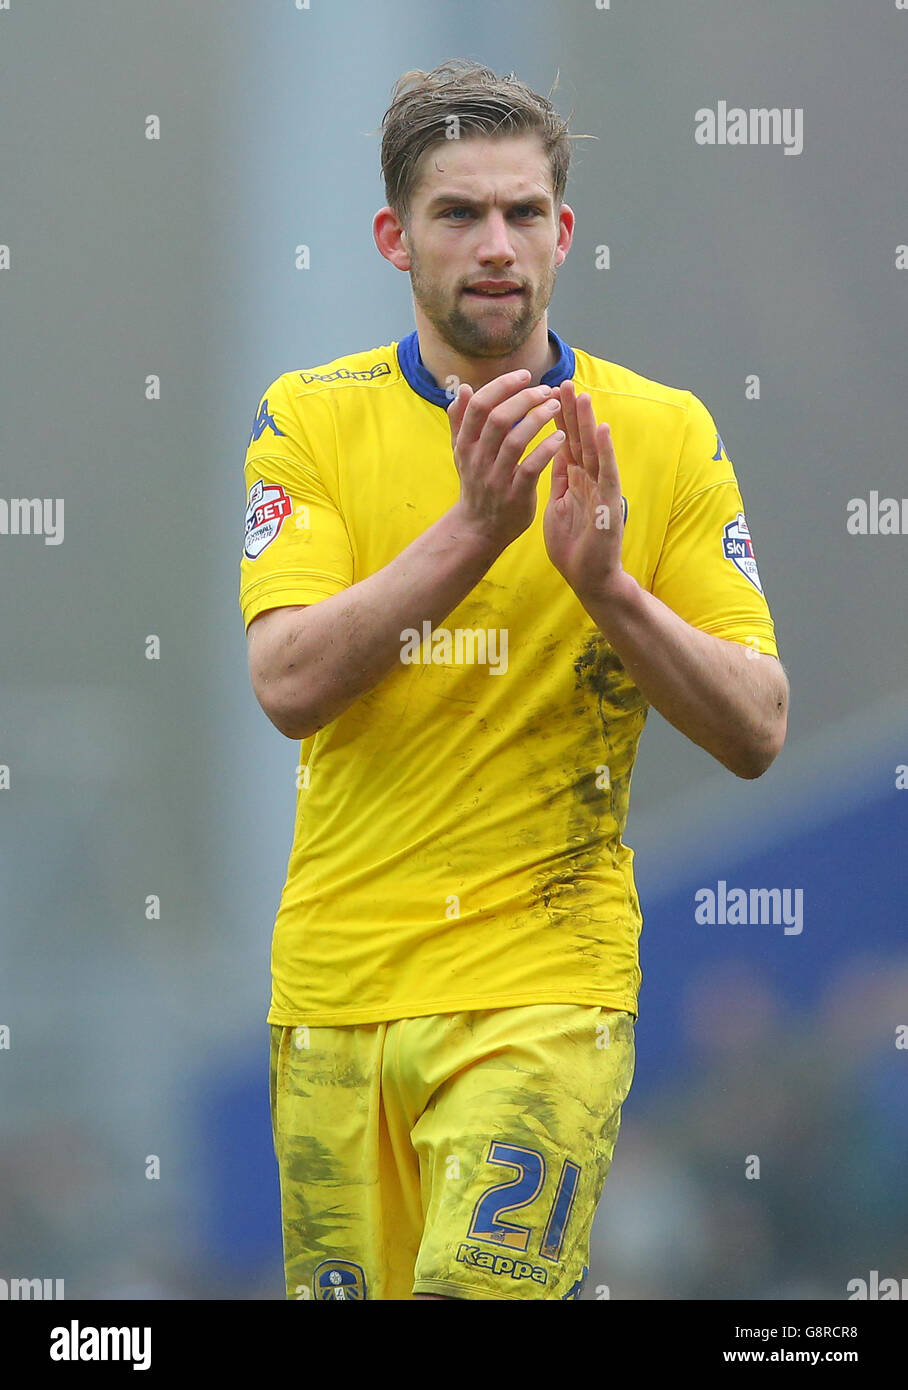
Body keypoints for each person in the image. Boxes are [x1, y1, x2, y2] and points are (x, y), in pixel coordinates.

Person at [239, 60, 788, 1301]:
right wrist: (474, 533)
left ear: (562, 232)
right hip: (335, 989)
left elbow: (756, 724)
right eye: (458, 215)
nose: (495, 246)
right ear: (395, 238)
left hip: (544, 983)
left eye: (521, 214)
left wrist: (608, 588)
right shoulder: (308, 421)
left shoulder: (659, 433)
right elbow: (284, 682)